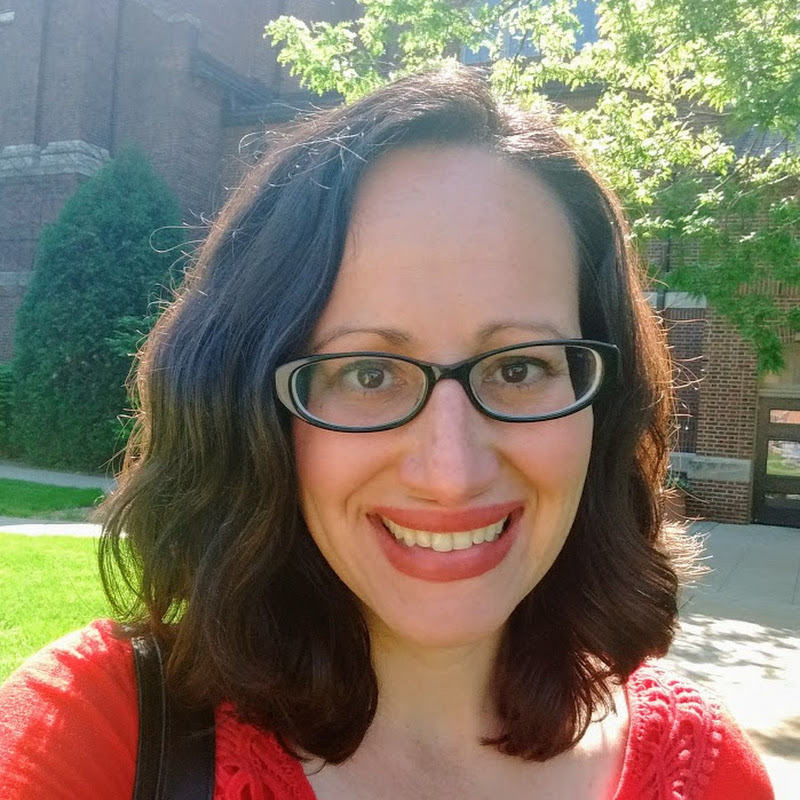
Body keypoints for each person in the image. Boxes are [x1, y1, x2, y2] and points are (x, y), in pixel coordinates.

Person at [0, 66, 773, 799]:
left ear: (600, 406)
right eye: (368, 374)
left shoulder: (706, 771)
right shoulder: (88, 741)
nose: (452, 473)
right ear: (247, 405)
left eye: (519, 367)